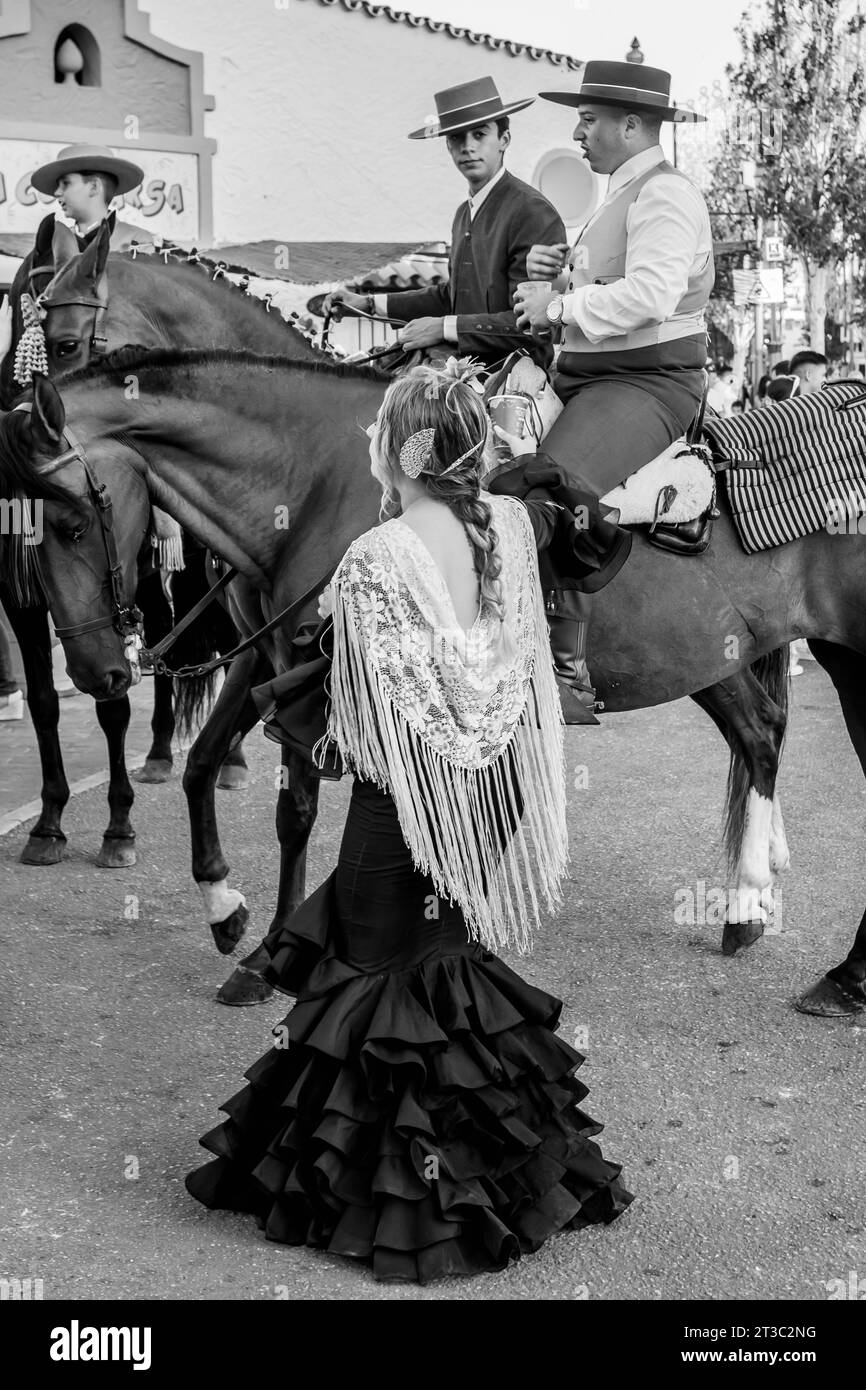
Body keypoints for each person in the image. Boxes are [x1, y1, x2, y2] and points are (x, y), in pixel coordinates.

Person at [186, 361, 633, 1283]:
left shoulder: (374, 559)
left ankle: (406, 1204)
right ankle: (487, 1164)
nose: (370, 452)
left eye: (380, 437)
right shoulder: (508, 523)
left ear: (408, 451)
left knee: (380, 975)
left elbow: (357, 729)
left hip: (407, 806)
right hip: (492, 797)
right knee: (446, 967)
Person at [499, 60, 713, 721]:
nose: (578, 130)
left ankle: (565, 675)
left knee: (551, 486)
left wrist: (559, 307)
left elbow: (650, 296)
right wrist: (555, 277)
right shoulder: (617, 197)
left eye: (589, 119)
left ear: (631, 124)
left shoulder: (665, 194)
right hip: (590, 378)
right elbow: (608, 284)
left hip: (647, 384)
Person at [322, 78, 566, 369]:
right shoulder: (464, 212)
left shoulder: (531, 211)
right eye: (457, 138)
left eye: (479, 134)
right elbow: (452, 297)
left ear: (504, 139)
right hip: (456, 365)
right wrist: (367, 305)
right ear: (448, 146)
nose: (468, 147)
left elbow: (532, 325)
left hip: (511, 379)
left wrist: (443, 328)